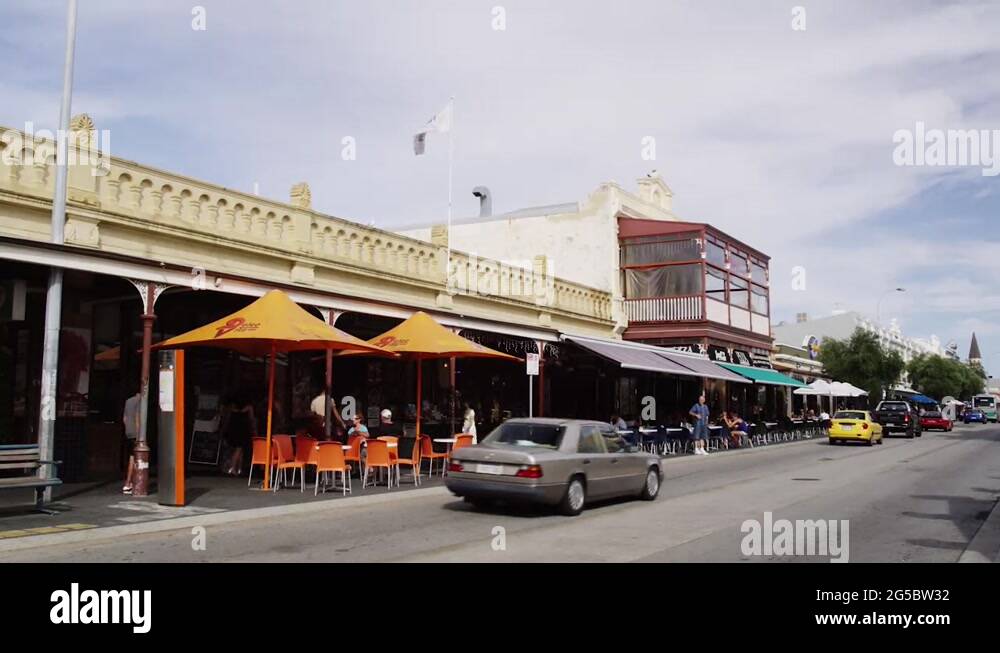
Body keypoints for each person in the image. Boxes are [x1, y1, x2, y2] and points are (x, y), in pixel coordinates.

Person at [221, 393, 256, 476]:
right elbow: (251, 419)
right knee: (239, 449)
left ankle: (238, 468)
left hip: (234, 428)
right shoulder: (249, 407)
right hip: (243, 429)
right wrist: (253, 429)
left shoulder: (232, 408)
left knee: (239, 449)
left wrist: (224, 429)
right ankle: (233, 467)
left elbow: (227, 418)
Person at [122, 390, 141, 495]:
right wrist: (139, 434)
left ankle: (129, 483)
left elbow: (124, 418)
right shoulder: (140, 401)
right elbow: (138, 418)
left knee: (131, 457)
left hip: (128, 432)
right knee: (135, 458)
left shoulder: (128, 401)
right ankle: (128, 483)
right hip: (135, 432)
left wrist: (127, 429)